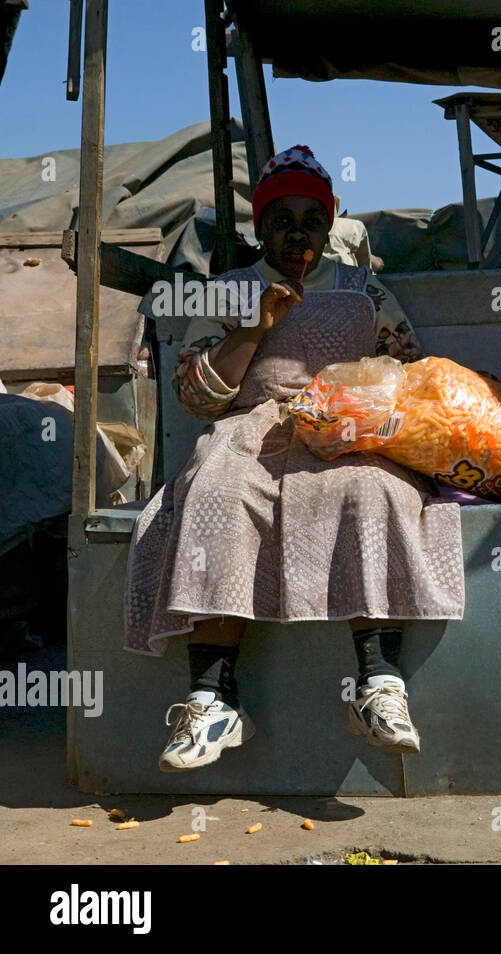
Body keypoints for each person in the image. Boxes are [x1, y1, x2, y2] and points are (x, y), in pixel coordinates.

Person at [124, 145, 465, 772]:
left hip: (345, 430)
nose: (297, 234)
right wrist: (253, 329)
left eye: (312, 220)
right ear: (261, 226)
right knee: (217, 494)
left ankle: (378, 687)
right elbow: (196, 398)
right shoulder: (228, 293)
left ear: (329, 226)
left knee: (374, 492)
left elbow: (411, 376)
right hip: (249, 435)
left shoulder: (365, 293)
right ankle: (213, 699)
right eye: (282, 220)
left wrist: (362, 413)